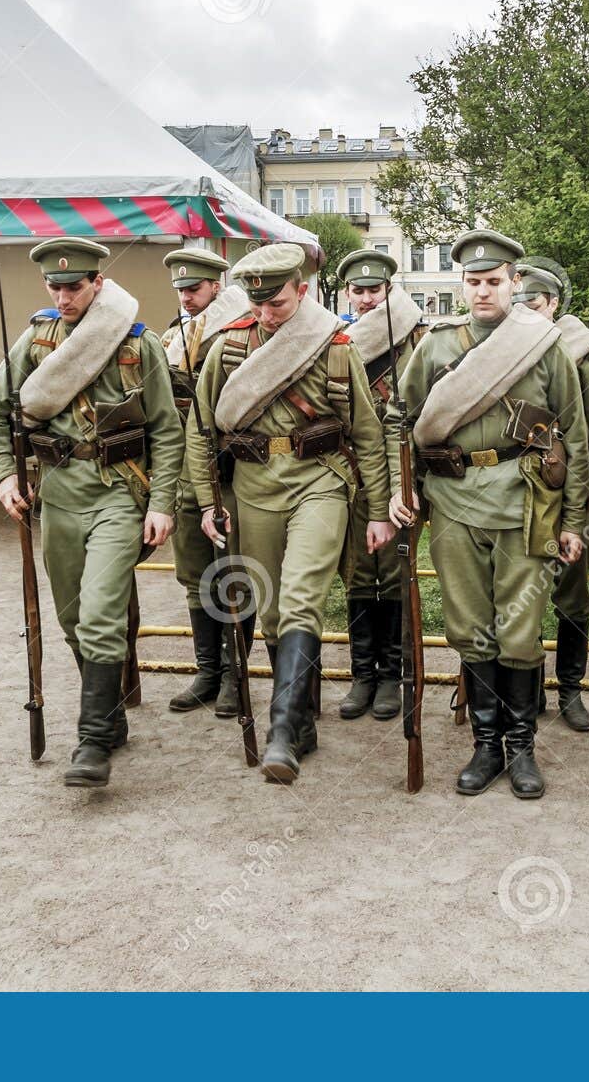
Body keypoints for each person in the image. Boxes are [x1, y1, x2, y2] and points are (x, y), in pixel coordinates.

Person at [387, 229, 589, 800]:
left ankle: (521, 748)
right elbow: (399, 422)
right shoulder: (436, 346)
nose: (483, 292)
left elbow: (573, 433)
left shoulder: (543, 346)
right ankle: (486, 744)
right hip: (452, 501)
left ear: (515, 283)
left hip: (525, 503)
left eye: (493, 282)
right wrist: (399, 491)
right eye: (473, 282)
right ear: (463, 285)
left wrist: (572, 520)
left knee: (519, 632)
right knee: (471, 628)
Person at [0, 238, 183, 789]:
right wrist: (6, 473)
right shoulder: (37, 338)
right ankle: (110, 713)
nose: (64, 295)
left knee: (98, 615)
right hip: (59, 495)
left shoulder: (139, 344)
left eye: (75, 286)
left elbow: (166, 429)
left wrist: (162, 503)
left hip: (118, 491)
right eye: (56, 286)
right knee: (71, 619)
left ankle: (91, 741)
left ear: (98, 283)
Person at [184, 242, 394, 783]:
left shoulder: (335, 348)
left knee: (301, 599)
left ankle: (281, 733)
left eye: (277, 303)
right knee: (272, 607)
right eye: (257, 304)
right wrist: (209, 501)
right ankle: (300, 721)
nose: (266, 314)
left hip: (319, 481)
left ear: (302, 292)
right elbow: (201, 430)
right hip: (254, 487)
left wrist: (375, 512)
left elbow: (368, 436)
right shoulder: (229, 348)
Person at [515, 259, 589, 732]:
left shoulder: (582, 351)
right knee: (519, 592)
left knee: (571, 593)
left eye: (534, 302)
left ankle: (570, 690)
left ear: (553, 304)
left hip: (574, 492)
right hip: (519, 495)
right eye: (519, 302)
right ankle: (527, 690)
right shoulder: (498, 347)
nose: (526, 311)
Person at [156, 246, 252, 718]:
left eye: (194, 289)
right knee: (194, 573)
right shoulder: (175, 335)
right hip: (185, 473)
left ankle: (237, 674)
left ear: (217, 286)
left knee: (231, 572)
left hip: (231, 469)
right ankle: (208, 671)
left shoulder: (242, 331)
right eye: (180, 290)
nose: (187, 298)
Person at [334, 248, 425, 722]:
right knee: (356, 573)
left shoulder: (414, 340)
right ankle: (361, 675)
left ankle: (393, 674)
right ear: (347, 294)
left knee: (393, 573)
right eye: (359, 291)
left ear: (389, 290)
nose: (367, 299)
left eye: (375, 290)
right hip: (349, 475)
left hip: (397, 472)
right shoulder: (335, 340)